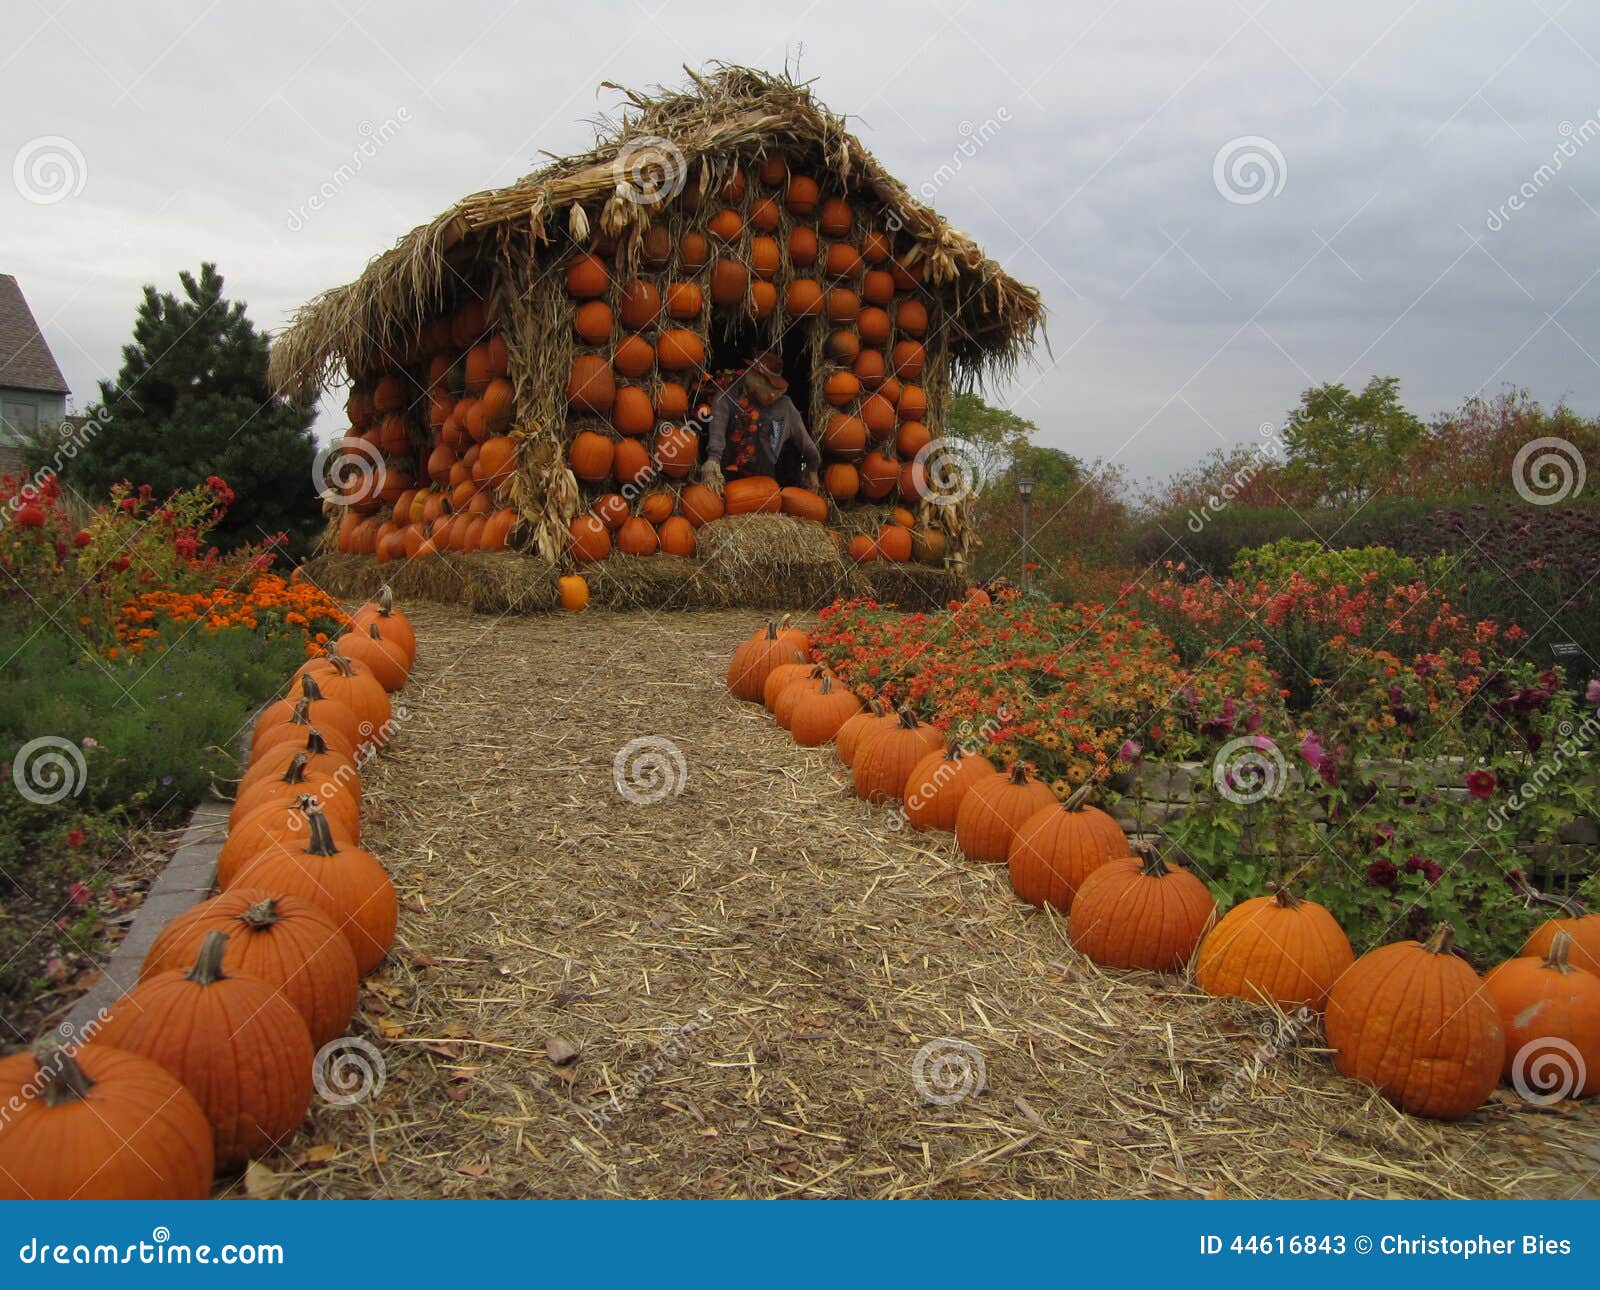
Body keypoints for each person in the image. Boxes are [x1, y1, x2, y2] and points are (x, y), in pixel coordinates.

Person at [698, 352, 821, 492]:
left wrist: (812, 468)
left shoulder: (785, 406)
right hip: (726, 485)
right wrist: (713, 459)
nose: (773, 395)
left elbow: (805, 442)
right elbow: (717, 434)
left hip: (765, 487)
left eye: (776, 390)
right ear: (755, 379)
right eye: (768, 387)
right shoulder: (726, 399)